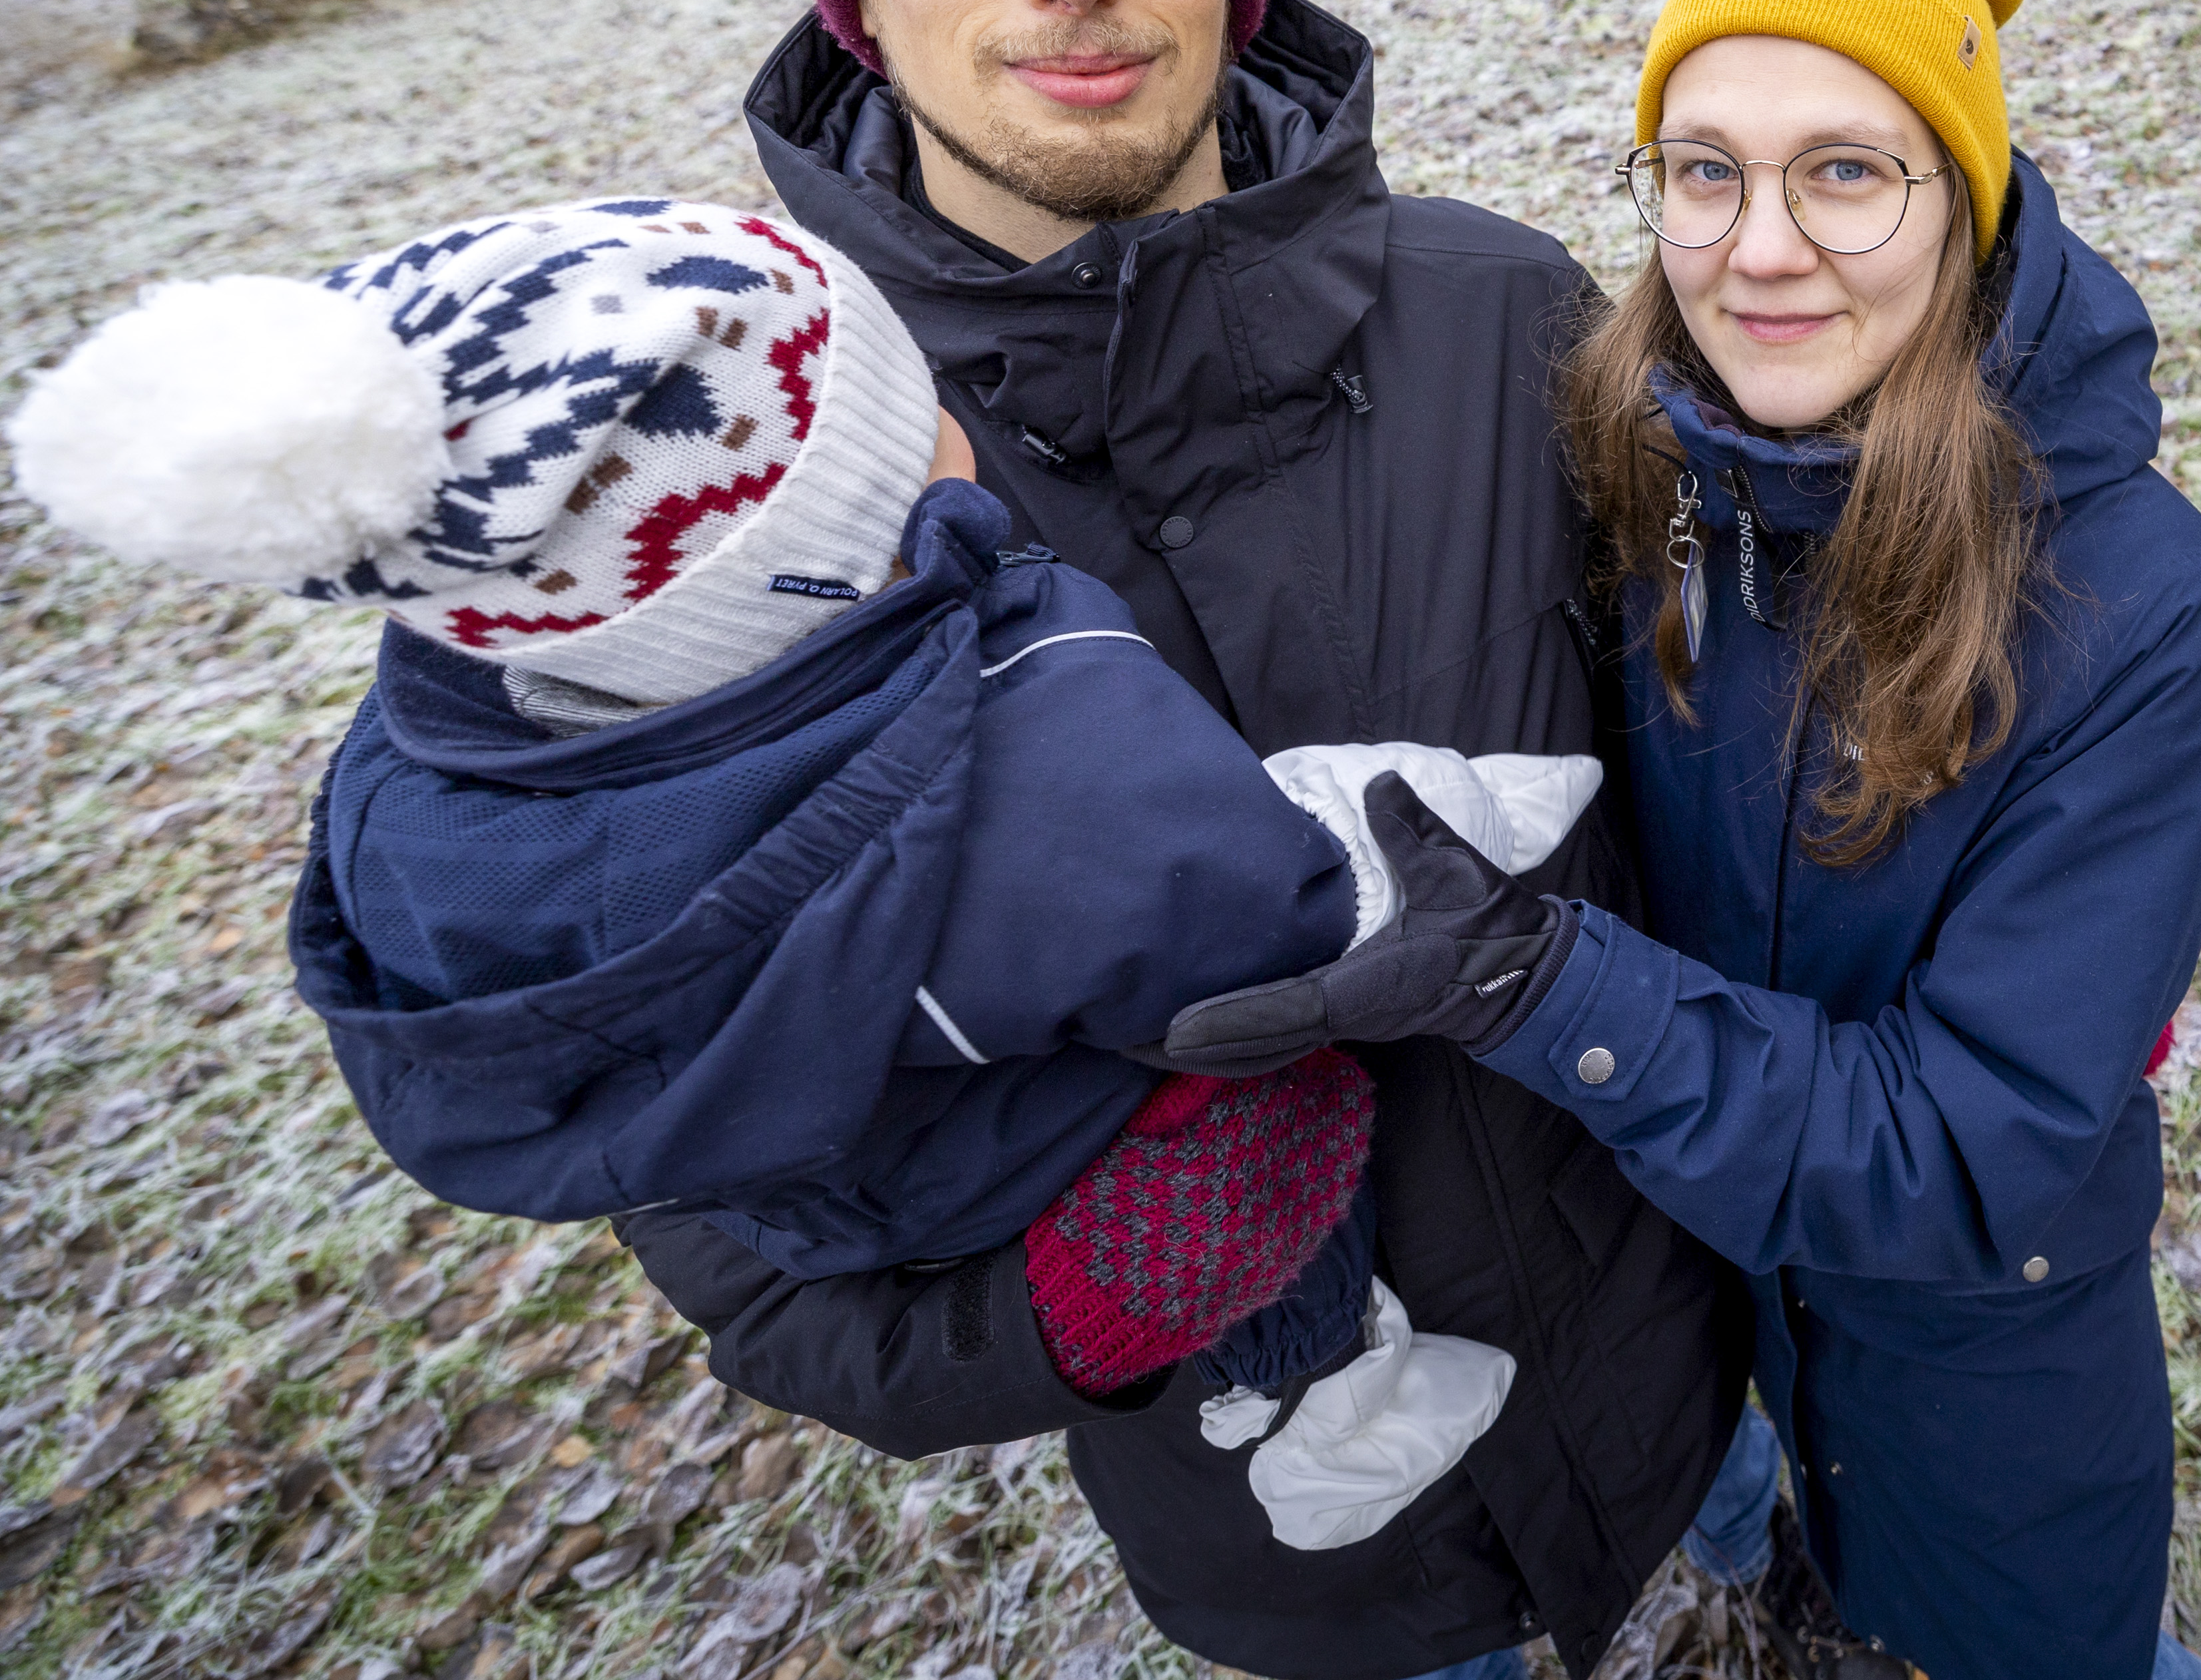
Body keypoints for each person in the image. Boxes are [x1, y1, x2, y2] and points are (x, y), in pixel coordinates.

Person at [592, 0, 1742, 1680]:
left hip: (1676, 1326)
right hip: (1301, 1523)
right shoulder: (740, 477)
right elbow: (685, 1142)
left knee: (1760, 1524)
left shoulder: (1503, 316)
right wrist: (1056, 1314)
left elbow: (1735, 773)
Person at [3, 196, 1595, 1550]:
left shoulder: (438, 793)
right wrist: (1434, 831)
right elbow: (1262, 896)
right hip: (1035, 1157)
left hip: (827, 1185)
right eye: (916, 442)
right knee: (1275, 1115)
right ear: (823, 562)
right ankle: (1322, 1389)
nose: (957, 444)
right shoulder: (1007, 787)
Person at [1166, 0, 2201, 1680]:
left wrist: (1545, 984)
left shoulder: (2145, 624)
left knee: (2049, 1650)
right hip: (1715, 1290)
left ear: (1968, 197)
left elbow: (1965, 1146)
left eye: (1845, 169)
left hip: (1972, 1345)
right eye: (1702, 170)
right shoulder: (1672, 486)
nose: (1756, 247)